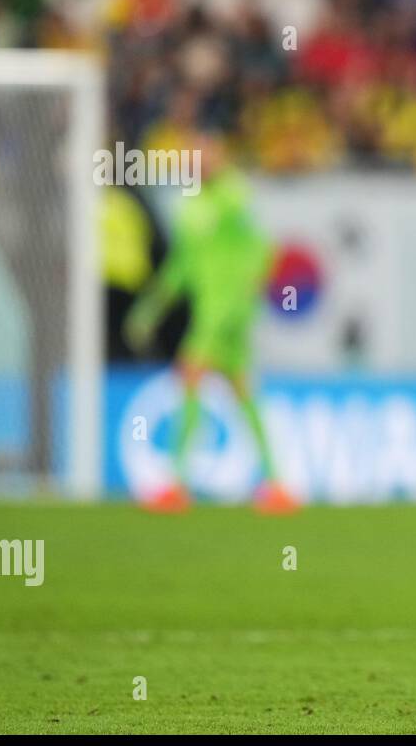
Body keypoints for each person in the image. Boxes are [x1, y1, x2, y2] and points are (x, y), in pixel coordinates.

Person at [124, 135, 295, 515]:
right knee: (242, 392)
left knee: (189, 378)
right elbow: (181, 267)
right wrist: (150, 309)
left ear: (218, 158)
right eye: (193, 156)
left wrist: (246, 292)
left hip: (227, 310)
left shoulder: (232, 196)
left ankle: (178, 484)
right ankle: (277, 484)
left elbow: (262, 249)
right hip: (211, 311)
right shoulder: (190, 208)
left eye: (205, 155)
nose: (199, 163)